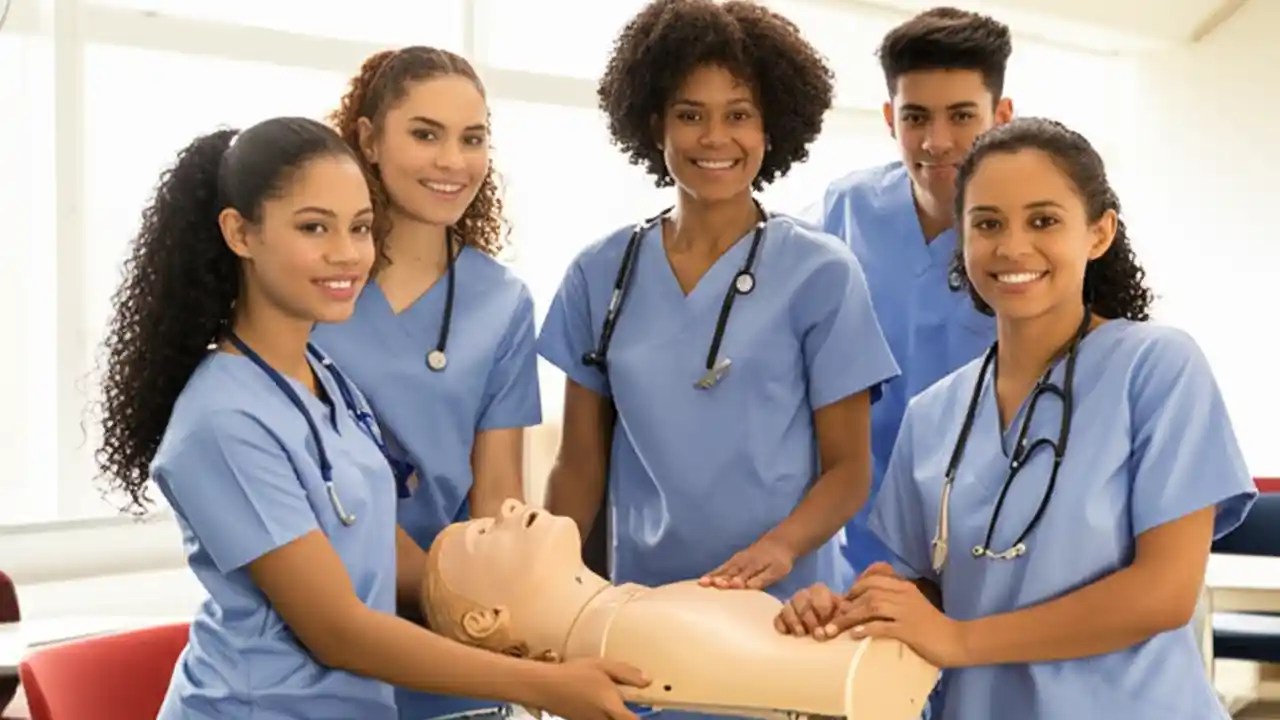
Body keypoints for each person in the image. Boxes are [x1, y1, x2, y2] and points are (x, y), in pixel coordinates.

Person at [91, 116, 648, 720]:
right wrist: (540, 685)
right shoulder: (222, 421)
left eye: (359, 228)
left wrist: (547, 627)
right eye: (313, 228)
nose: (347, 253)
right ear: (240, 233)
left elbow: (391, 554)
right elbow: (338, 631)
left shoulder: (324, 378)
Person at [776, 117, 1258, 719]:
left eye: (1044, 220)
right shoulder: (933, 415)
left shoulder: (1157, 368)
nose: (1012, 247)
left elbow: (1163, 595)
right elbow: (921, 592)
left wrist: (961, 640)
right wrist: (849, 609)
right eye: (987, 224)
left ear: (1099, 232)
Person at [537, 0, 899, 609]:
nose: (715, 138)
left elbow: (848, 471)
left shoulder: (821, 272)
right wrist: (548, 586)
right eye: (690, 114)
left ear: (769, 128)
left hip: (784, 605)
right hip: (643, 608)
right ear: (656, 124)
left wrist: (781, 546)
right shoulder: (599, 274)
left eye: (739, 115)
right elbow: (577, 468)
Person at [310, 45, 542, 719]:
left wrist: (502, 621)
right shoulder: (311, 284)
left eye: (473, 139)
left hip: (451, 648)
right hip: (319, 636)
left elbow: (499, 502)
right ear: (368, 140)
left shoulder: (501, 302)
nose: (452, 161)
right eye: (425, 134)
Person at [802, 7, 1015, 576]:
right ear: (889, 118)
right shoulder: (844, 211)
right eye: (916, 116)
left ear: (1000, 116)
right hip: (861, 535)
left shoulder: (1033, 235)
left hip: (996, 533)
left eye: (961, 115)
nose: (937, 141)